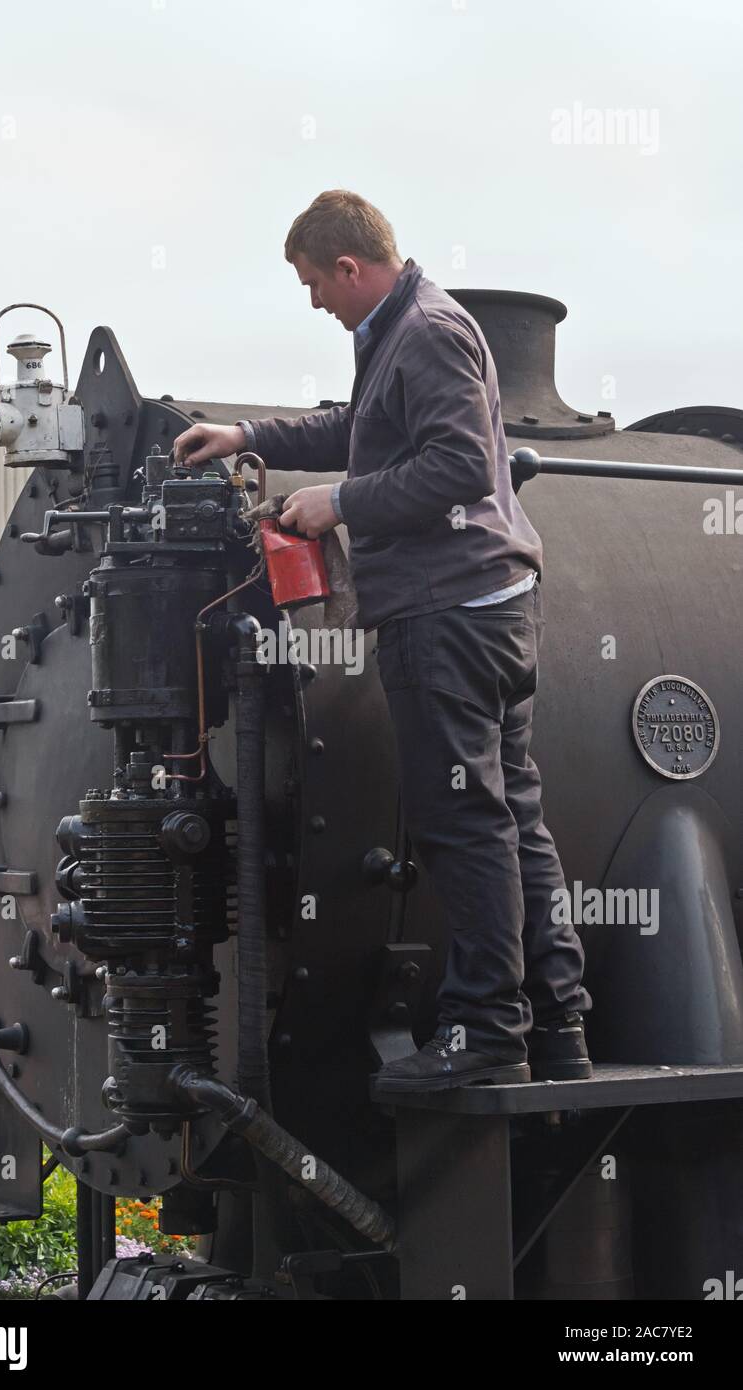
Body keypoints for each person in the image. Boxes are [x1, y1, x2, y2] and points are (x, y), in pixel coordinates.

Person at [173, 189, 592, 1091]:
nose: (313, 299)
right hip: (486, 606)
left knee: (460, 819)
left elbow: (457, 468)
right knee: (513, 817)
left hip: (449, 615)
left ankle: (486, 1031)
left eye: (314, 281)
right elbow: (357, 431)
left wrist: (340, 502)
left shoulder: (429, 333)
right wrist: (247, 433)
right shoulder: (400, 332)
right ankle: (557, 1023)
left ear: (350, 267)